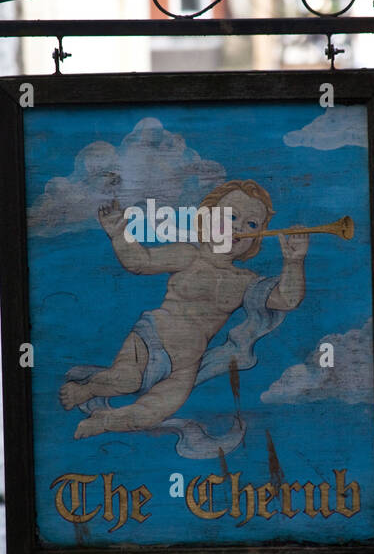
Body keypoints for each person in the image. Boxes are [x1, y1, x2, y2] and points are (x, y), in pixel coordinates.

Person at [59, 180, 309, 440]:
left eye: (252, 224)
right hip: (151, 337)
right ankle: (87, 390)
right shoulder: (190, 255)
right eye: (231, 216)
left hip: (186, 367)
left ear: (257, 238)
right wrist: (119, 234)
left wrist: (294, 262)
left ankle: (105, 420)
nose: (238, 227)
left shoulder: (243, 281)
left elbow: (287, 300)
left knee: (149, 415)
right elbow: (140, 262)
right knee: (126, 380)